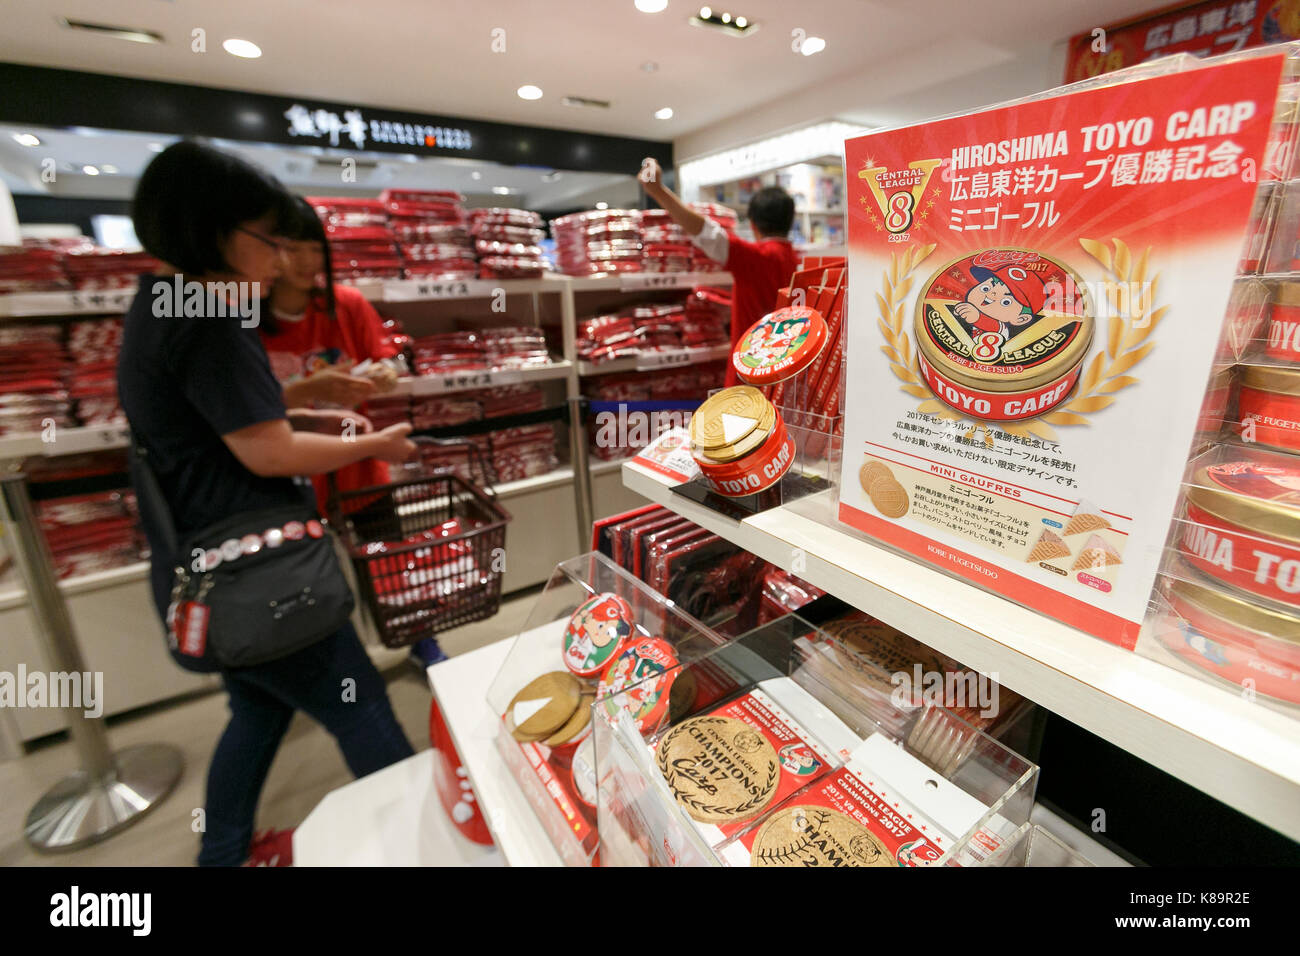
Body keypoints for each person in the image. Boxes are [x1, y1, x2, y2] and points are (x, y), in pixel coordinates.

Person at [119, 141, 418, 866]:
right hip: (264, 573)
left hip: (213, 565)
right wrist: (376, 445)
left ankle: (221, 854)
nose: (282, 257)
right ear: (208, 228)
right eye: (268, 237)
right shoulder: (212, 318)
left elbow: (211, 418)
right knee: (362, 707)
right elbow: (268, 452)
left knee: (258, 708)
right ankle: (425, 839)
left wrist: (304, 395)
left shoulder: (161, 301)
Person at [260, 197, 447, 667]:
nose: (304, 262)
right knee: (309, 579)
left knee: (389, 564)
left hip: (362, 464)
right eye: (289, 249)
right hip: (291, 475)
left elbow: (386, 358)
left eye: (312, 249)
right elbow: (242, 407)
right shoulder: (242, 320)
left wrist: (384, 372)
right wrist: (305, 390)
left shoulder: (346, 304)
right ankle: (337, 664)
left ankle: (419, 640)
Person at [638, 158, 799, 386]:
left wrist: (658, 191)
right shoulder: (799, 261)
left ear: (752, 223)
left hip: (750, 375)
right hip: (787, 371)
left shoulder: (755, 257)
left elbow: (706, 233)